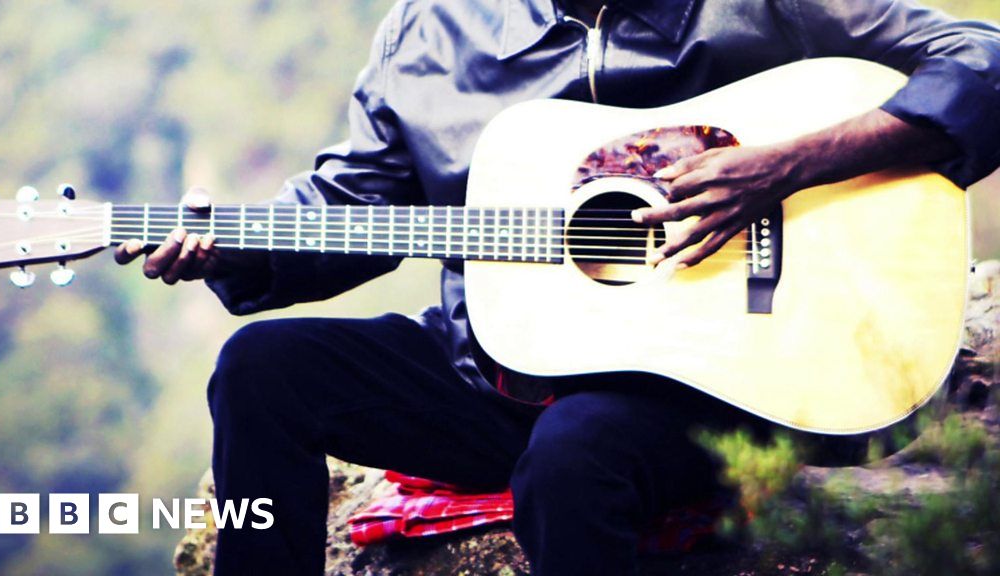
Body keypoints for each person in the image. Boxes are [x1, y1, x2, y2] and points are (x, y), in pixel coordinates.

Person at [115, 1, 1000, 574]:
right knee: (264, 369)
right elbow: (354, 210)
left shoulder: (765, 6)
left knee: (576, 456)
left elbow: (984, 61)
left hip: (711, 385)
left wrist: (778, 167)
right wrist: (233, 248)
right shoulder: (433, 32)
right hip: (494, 373)